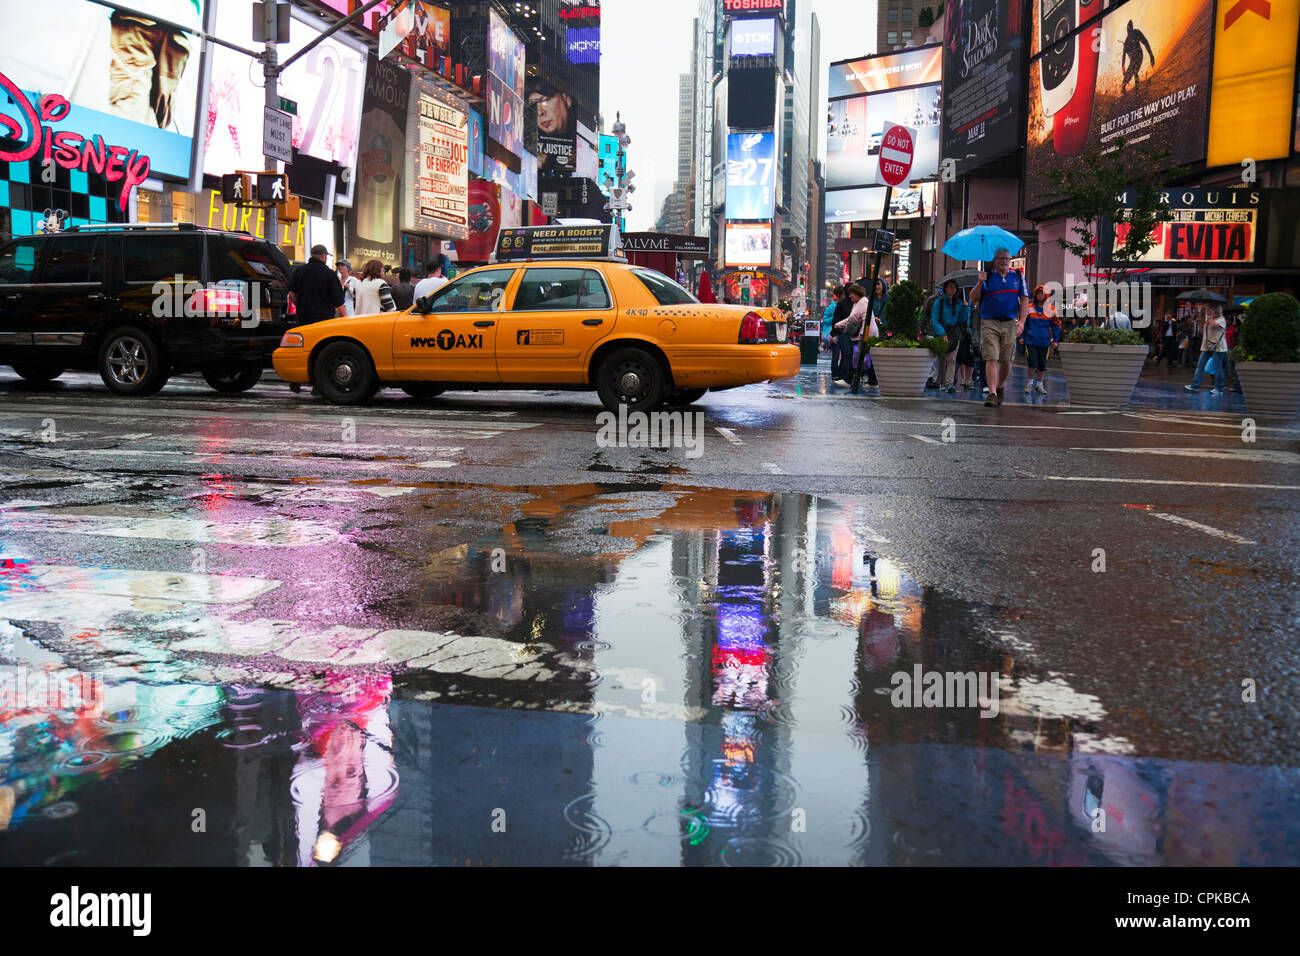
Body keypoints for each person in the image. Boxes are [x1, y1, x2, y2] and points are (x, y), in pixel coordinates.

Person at [108, 1, 200, 130]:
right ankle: (146, 145)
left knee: (130, 92)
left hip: (139, 11)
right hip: (182, 21)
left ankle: (126, 145)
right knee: (161, 108)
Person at [968, 248, 1029, 407]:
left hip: (1009, 322)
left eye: (1006, 259)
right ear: (994, 260)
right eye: (1001, 259)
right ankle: (992, 392)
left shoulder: (1017, 276)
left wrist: (1022, 321)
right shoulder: (987, 276)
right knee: (991, 357)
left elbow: (1024, 299)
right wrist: (980, 283)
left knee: (1007, 360)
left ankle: (1000, 386)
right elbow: (973, 299)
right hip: (989, 322)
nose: (1004, 261)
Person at [287, 245, 346, 393]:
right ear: (324, 256)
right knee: (320, 351)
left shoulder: (299, 271)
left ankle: (296, 379)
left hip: (304, 316)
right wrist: (345, 318)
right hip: (323, 319)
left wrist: (299, 305)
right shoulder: (329, 274)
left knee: (302, 348)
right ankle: (317, 385)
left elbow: (291, 293)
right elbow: (338, 301)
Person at [832, 283, 878, 388]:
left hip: (866, 335)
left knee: (858, 357)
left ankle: (848, 380)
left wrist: (862, 334)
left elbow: (866, 320)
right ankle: (873, 381)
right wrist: (838, 325)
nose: (849, 296)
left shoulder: (864, 303)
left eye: (851, 293)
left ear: (856, 293)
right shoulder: (857, 303)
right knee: (861, 358)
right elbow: (851, 319)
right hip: (863, 335)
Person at [1019, 285, 1061, 395]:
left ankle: (1039, 385)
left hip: (1044, 341)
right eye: (1038, 293)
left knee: (1042, 364)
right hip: (1031, 341)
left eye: (1042, 293)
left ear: (1046, 295)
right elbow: (1024, 323)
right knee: (1032, 362)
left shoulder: (1051, 310)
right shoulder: (1029, 307)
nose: (1039, 295)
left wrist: (1055, 340)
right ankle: (1029, 384)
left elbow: (1057, 325)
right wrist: (1022, 336)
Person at [930, 279, 969, 393]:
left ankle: (949, 383)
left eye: (954, 287)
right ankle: (940, 381)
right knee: (941, 359)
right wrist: (942, 333)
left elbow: (961, 320)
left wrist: (965, 309)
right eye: (950, 286)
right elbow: (934, 320)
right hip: (941, 333)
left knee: (952, 359)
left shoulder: (959, 303)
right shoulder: (939, 303)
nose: (952, 289)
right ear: (945, 288)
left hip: (954, 334)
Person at [1185, 306, 1228, 395]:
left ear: (1216, 311)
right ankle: (1195, 386)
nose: (1208, 311)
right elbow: (1203, 332)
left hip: (1218, 347)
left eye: (1210, 310)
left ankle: (1219, 389)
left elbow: (1213, 325)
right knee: (1200, 366)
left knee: (1217, 368)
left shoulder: (1221, 319)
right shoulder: (1209, 319)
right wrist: (1200, 323)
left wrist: (1210, 316)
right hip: (1207, 346)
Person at [1121, 19, 1156, 95]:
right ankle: (1123, 91)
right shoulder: (1126, 42)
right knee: (1126, 78)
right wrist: (1123, 67)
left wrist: (1151, 55)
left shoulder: (1136, 33)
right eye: (1128, 30)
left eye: (1130, 29)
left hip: (1139, 55)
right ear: (1127, 30)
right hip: (1132, 59)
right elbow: (1123, 55)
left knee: (1135, 72)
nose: (1129, 31)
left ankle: (1137, 91)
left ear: (1132, 28)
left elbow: (1145, 42)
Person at [822, 287, 843, 367]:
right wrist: (834, 317)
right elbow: (825, 320)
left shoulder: (843, 305)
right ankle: (835, 372)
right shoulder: (830, 308)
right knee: (836, 353)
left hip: (842, 332)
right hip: (833, 333)